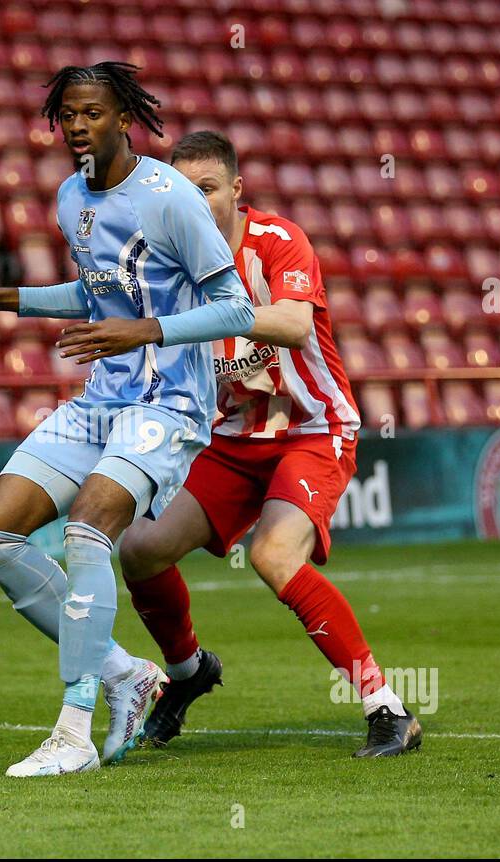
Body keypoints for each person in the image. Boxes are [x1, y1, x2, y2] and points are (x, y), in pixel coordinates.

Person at [0, 64, 255, 776]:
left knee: (86, 528)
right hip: (101, 402)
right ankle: (128, 673)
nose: (78, 126)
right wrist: (3, 299)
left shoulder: (172, 197)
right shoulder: (69, 197)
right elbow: (98, 289)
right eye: (67, 114)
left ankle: (73, 729)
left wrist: (145, 332)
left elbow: (236, 308)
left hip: (169, 403)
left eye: (92, 113)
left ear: (124, 119)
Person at [117, 131, 422, 757]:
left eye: (207, 188)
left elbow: (292, 322)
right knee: (140, 551)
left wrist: (182, 323)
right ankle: (187, 671)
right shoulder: (167, 267)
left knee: (274, 556)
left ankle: (386, 708)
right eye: (182, 190)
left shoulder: (277, 242)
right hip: (230, 441)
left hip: (312, 430)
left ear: (236, 189)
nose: (194, 203)